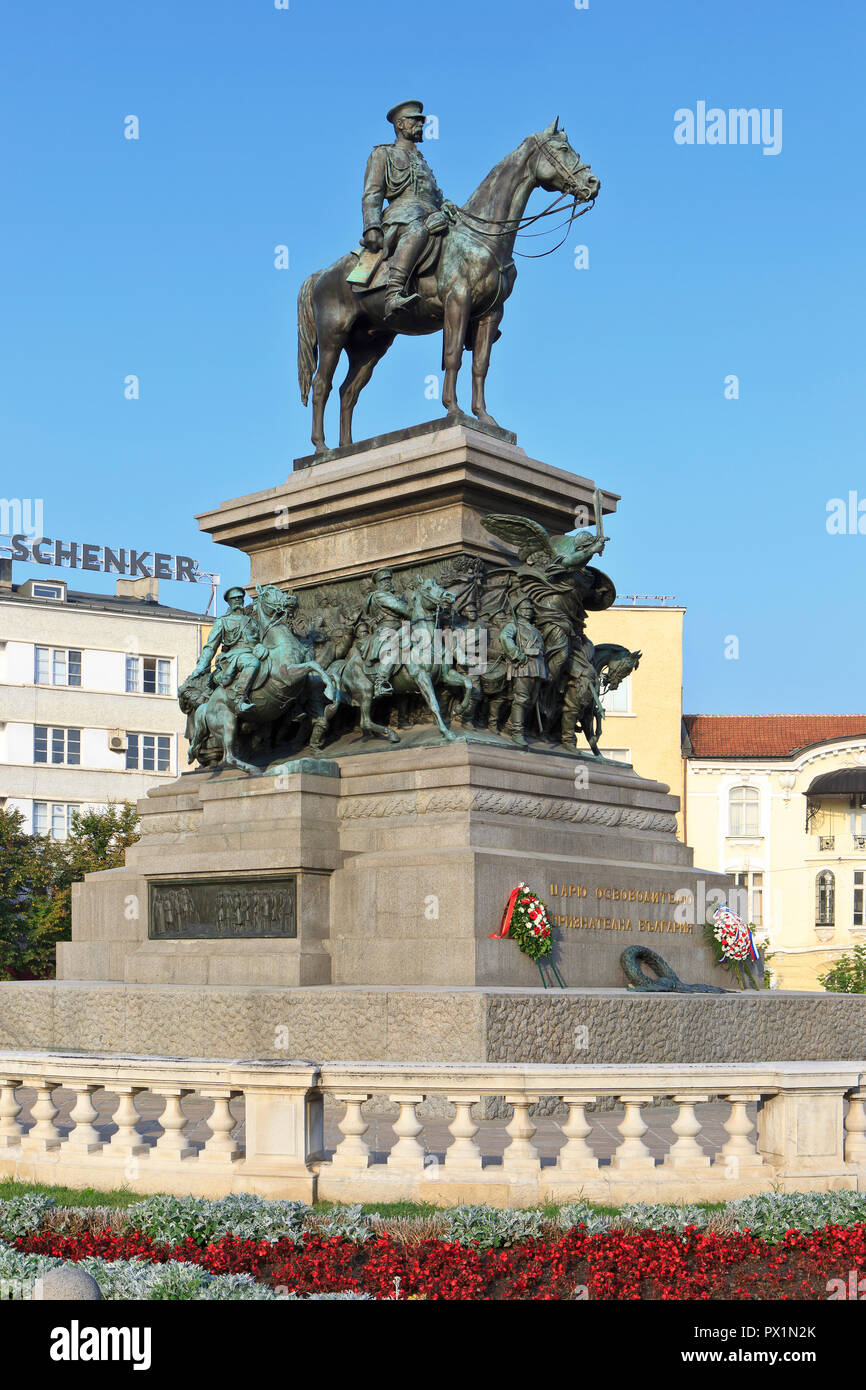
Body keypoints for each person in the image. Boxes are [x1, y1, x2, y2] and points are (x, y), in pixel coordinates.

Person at [361, 99, 454, 318]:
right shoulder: (383, 154)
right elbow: (372, 192)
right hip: (401, 219)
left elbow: (435, 195)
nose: (421, 125)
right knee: (417, 231)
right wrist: (371, 226)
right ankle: (393, 294)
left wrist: (446, 204)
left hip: (433, 216)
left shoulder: (422, 161)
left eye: (421, 121)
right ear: (401, 124)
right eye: (415, 120)